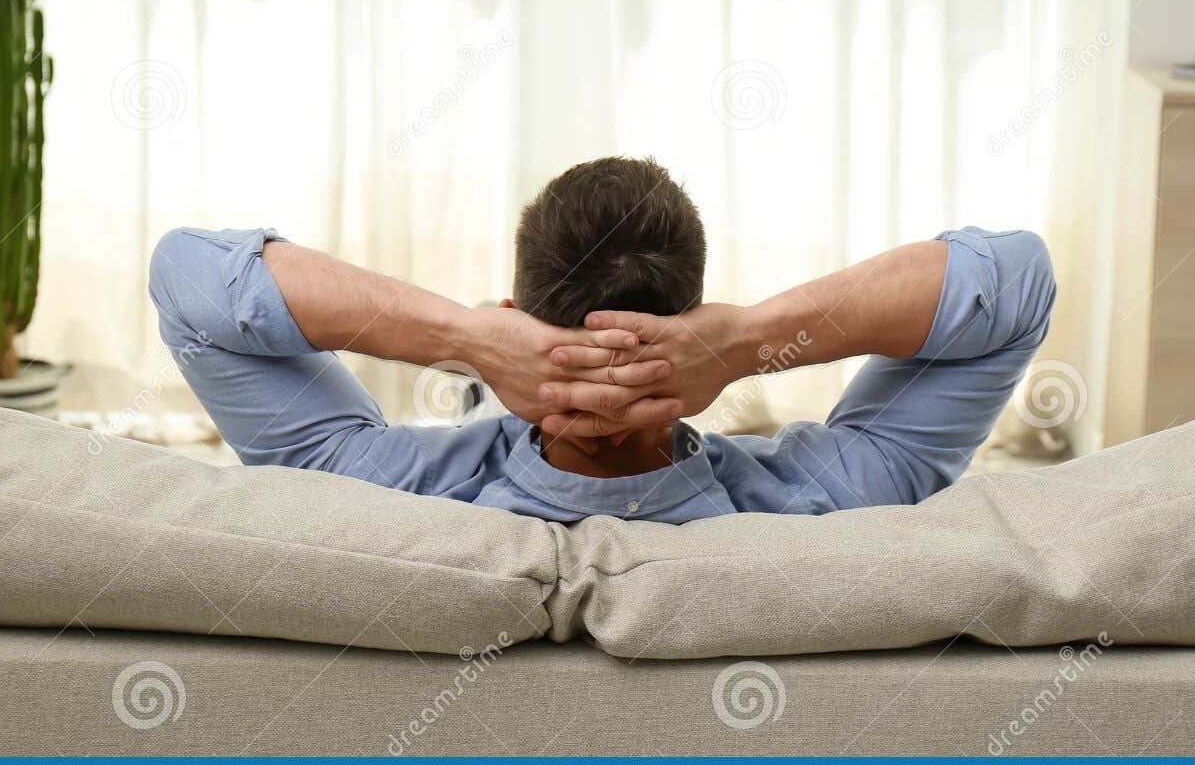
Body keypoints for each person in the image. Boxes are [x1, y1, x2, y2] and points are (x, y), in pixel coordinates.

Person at [147, 156, 1055, 523]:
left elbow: (190, 281)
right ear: (694, 318)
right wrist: (749, 340)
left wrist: (465, 338)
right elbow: (1015, 282)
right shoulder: (842, 498)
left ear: (515, 309)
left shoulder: (379, 502)